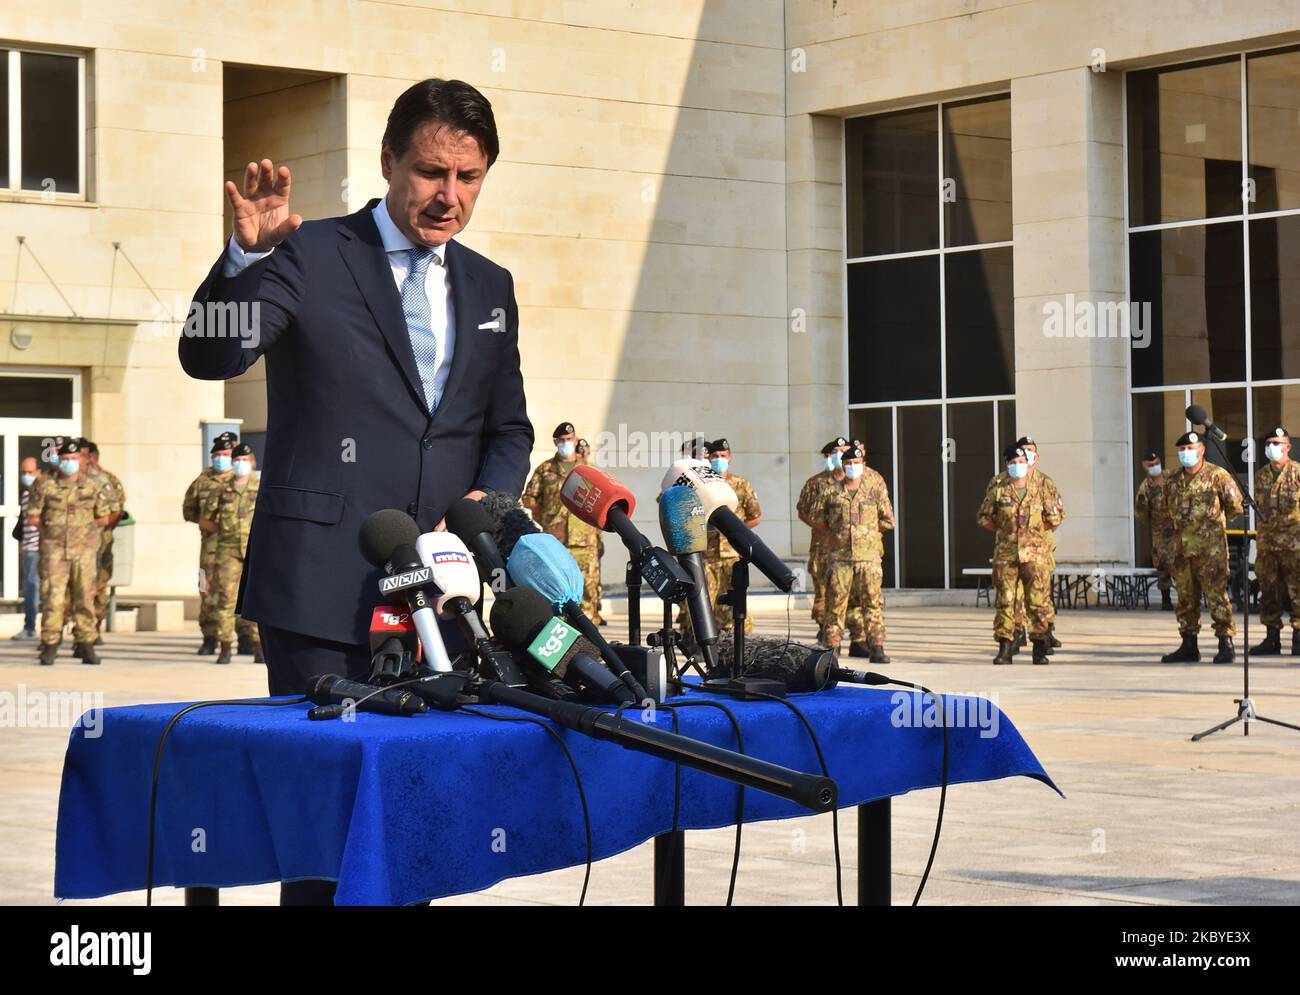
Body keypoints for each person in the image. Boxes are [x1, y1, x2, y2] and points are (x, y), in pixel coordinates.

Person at [180, 79, 532, 906]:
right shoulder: (308, 251)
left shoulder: (490, 286)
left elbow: (507, 429)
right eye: (431, 171)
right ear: (387, 161)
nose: (449, 196)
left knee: (415, 819)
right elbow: (211, 357)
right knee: (331, 831)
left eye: (470, 177)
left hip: (435, 601)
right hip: (318, 593)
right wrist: (248, 260)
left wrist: (479, 516)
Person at [27, 439, 114, 666]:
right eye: (65, 459)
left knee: (84, 597)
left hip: (84, 552)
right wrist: (51, 534)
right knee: (53, 599)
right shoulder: (46, 486)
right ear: (59, 460)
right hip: (55, 552)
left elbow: (103, 517)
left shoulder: (93, 486)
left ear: (81, 461)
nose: (69, 463)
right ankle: (50, 645)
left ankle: (86, 644)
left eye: (73, 459)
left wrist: (85, 534)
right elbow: (34, 517)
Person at [1161, 431, 1243, 664]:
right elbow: (1168, 510)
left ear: (1202, 450)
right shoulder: (1173, 480)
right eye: (1182, 449)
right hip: (1182, 549)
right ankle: (1189, 645)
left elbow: (1235, 507)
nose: (1186, 453)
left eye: (1190, 448)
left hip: (1211, 550)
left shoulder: (1217, 475)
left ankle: (1225, 643)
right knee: (1185, 598)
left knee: (1217, 596)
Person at [978, 445, 1065, 665]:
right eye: (1013, 462)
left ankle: (1039, 647)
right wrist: (1006, 531)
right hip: (1006, 555)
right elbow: (984, 517)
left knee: (1038, 602)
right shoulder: (999, 489)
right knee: (1005, 601)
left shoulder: (1041, 488)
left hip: (1035, 555)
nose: (1018, 466)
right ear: (1007, 465)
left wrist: (1033, 535)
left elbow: (1054, 518)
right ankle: (1005, 647)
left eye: (1021, 462)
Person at [817, 444, 894, 661]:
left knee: (873, 602)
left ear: (864, 465)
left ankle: (877, 646)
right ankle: (832, 647)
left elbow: (888, 520)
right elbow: (818, 521)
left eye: (856, 463)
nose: (852, 466)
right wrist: (837, 536)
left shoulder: (875, 489)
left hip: (868, 558)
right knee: (836, 603)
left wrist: (867, 535)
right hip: (840, 558)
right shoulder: (831, 491)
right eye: (849, 463)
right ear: (843, 465)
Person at [523, 422, 603, 623]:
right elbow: (529, 498)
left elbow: (601, 502)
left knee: (588, 591)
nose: (565, 443)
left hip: (585, 540)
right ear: (555, 442)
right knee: (557, 589)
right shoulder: (545, 469)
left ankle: (590, 640)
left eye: (569, 440)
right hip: (556, 541)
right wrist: (547, 520)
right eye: (561, 440)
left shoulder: (589, 470)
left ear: (575, 440)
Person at [200, 443, 263, 665]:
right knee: (225, 598)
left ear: (252, 462)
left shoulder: (261, 486)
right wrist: (225, 531)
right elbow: (205, 518)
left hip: (254, 549)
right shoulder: (222, 488)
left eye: (244, 460)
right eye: (237, 460)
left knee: (257, 598)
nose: (240, 464)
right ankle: (225, 645)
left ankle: (258, 646)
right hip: (227, 551)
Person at [183, 432, 237, 654]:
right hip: (210, 550)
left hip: (236, 549)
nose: (220, 458)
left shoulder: (243, 481)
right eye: (217, 454)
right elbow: (188, 510)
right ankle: (209, 637)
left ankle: (243, 636)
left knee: (234, 593)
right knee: (206, 590)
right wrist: (203, 522)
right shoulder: (202, 481)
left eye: (225, 454)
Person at [1249, 427, 1300, 657]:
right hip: (1267, 546)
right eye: (1269, 442)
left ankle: (1299, 638)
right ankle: (1272, 639)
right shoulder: (1260, 476)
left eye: (1277, 443)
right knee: (1269, 592)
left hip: (1294, 547)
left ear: (1288, 446)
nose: (1272, 447)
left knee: (1297, 592)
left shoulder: (1298, 473)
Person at [702, 438, 761, 635]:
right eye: (715, 456)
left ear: (730, 458)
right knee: (705, 601)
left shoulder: (741, 485)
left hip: (733, 554)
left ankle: (740, 643)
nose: (719, 460)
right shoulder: (701, 484)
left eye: (723, 456)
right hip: (707, 554)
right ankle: (707, 643)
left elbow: (755, 517)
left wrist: (736, 532)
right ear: (708, 458)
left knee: (735, 601)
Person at [797, 436, 848, 643]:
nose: (838, 456)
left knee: (846, 593)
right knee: (823, 592)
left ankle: (855, 635)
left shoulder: (856, 483)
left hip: (846, 550)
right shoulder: (816, 483)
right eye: (834, 452)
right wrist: (823, 529)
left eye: (842, 451)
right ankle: (823, 628)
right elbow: (803, 511)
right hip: (822, 548)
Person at [83, 440, 127, 639]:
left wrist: (104, 527)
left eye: (83, 456)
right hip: (78, 545)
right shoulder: (72, 480)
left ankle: (95, 627)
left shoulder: (108, 480)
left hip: (102, 544)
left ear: (92, 457)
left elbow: (117, 511)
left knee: (99, 586)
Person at [1134, 450, 1176, 612]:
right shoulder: (1145, 488)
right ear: (1144, 467)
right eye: (1150, 465)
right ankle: (1166, 599)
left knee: (1184, 564)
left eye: (1156, 463)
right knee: (1164, 567)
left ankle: (1190, 599)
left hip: (1180, 530)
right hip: (1161, 535)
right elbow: (1141, 516)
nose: (1154, 467)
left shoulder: (1172, 477)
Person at [9, 457, 41, 641]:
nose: (26, 476)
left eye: (30, 472)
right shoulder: (27, 491)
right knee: (30, 588)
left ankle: (32, 627)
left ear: (38, 472)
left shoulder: (43, 491)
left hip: (39, 546)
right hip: (29, 546)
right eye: (23, 472)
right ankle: (30, 626)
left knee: (34, 587)